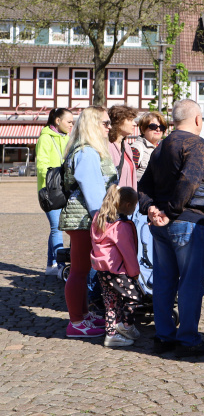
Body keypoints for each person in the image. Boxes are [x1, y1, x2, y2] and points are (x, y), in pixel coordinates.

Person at [138, 99, 204, 357]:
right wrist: (169, 211)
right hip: (186, 221)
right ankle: (188, 339)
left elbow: (143, 186)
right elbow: (189, 181)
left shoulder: (160, 147)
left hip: (161, 225)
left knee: (164, 282)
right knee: (190, 284)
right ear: (197, 120)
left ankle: (164, 336)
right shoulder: (195, 144)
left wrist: (151, 208)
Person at [59, 106, 117, 338]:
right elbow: (92, 190)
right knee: (79, 271)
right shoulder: (87, 152)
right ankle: (76, 321)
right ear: (93, 125)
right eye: (105, 123)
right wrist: (100, 219)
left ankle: (82, 315)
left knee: (81, 270)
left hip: (83, 217)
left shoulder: (85, 150)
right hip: (84, 218)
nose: (109, 126)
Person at [90, 185, 142, 348]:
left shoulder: (100, 217)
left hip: (101, 268)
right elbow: (128, 253)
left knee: (110, 301)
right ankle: (125, 326)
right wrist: (134, 273)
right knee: (133, 297)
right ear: (128, 205)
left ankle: (111, 334)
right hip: (117, 270)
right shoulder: (122, 226)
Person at [37, 107, 73, 276]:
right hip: (50, 191)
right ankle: (59, 266)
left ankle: (50, 264)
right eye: (69, 122)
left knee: (57, 228)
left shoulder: (67, 138)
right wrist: (53, 179)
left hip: (64, 190)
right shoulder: (45, 138)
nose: (72, 125)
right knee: (56, 228)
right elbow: (41, 165)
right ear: (57, 121)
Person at [107, 105, 139, 189]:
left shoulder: (126, 147)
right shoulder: (107, 146)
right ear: (118, 122)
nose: (134, 124)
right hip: (115, 200)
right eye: (130, 120)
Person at [132, 111, 167, 182]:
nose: (158, 129)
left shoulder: (164, 149)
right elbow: (129, 175)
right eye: (153, 126)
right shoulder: (136, 149)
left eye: (161, 127)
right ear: (142, 129)